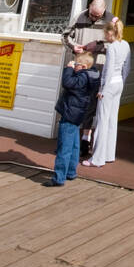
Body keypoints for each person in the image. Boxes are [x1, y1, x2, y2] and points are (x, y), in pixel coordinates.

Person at [62, 0, 112, 156]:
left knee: (91, 106)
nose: (93, 18)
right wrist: (73, 46)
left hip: (97, 69)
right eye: (92, 14)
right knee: (75, 102)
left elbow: (115, 43)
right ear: (89, 6)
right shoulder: (79, 17)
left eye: (97, 16)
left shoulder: (111, 19)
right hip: (80, 68)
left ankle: (85, 139)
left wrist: (99, 46)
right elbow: (64, 35)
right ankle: (73, 139)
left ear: (104, 11)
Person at [46, 52, 99, 187]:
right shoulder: (89, 76)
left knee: (64, 146)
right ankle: (70, 172)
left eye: (76, 64)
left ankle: (59, 177)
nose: (74, 66)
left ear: (83, 66)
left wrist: (68, 68)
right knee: (75, 145)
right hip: (76, 115)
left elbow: (67, 82)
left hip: (70, 114)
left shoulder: (81, 78)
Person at [83, 19, 130, 168]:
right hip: (119, 83)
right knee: (112, 120)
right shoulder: (126, 45)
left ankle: (97, 158)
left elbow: (108, 70)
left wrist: (102, 88)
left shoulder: (112, 48)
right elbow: (127, 67)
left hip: (109, 85)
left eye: (105, 33)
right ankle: (109, 154)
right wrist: (122, 81)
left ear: (110, 32)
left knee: (102, 121)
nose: (105, 35)